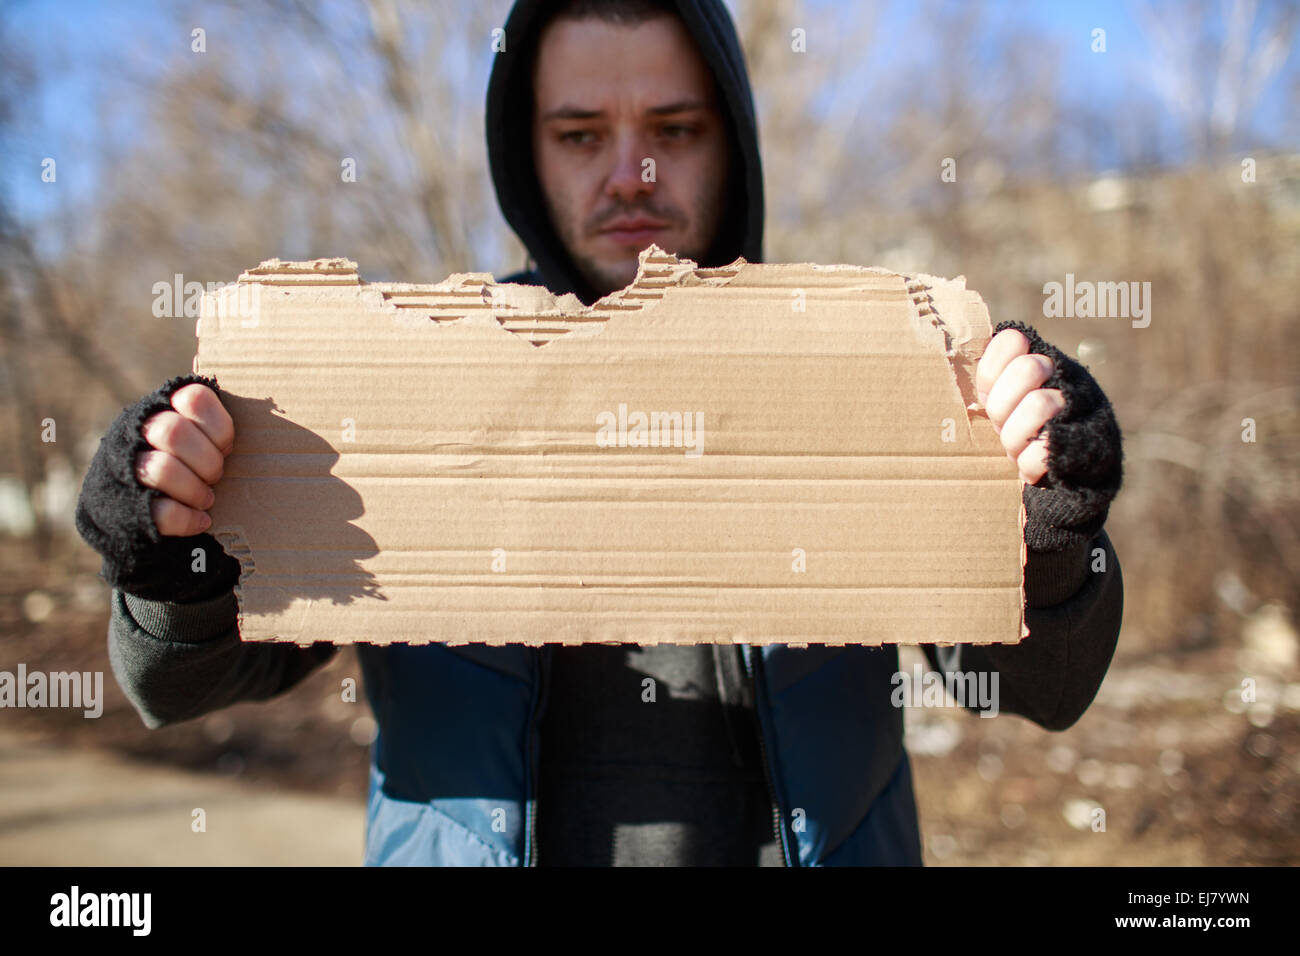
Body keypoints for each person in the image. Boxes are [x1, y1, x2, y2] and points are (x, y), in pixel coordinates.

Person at [75, 0, 1124, 866]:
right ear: (525, 152)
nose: (633, 175)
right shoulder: (409, 380)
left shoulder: (863, 370)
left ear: (732, 142)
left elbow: (1035, 683)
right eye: (581, 135)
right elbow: (179, 682)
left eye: (675, 129)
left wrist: (1048, 529)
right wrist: (173, 549)